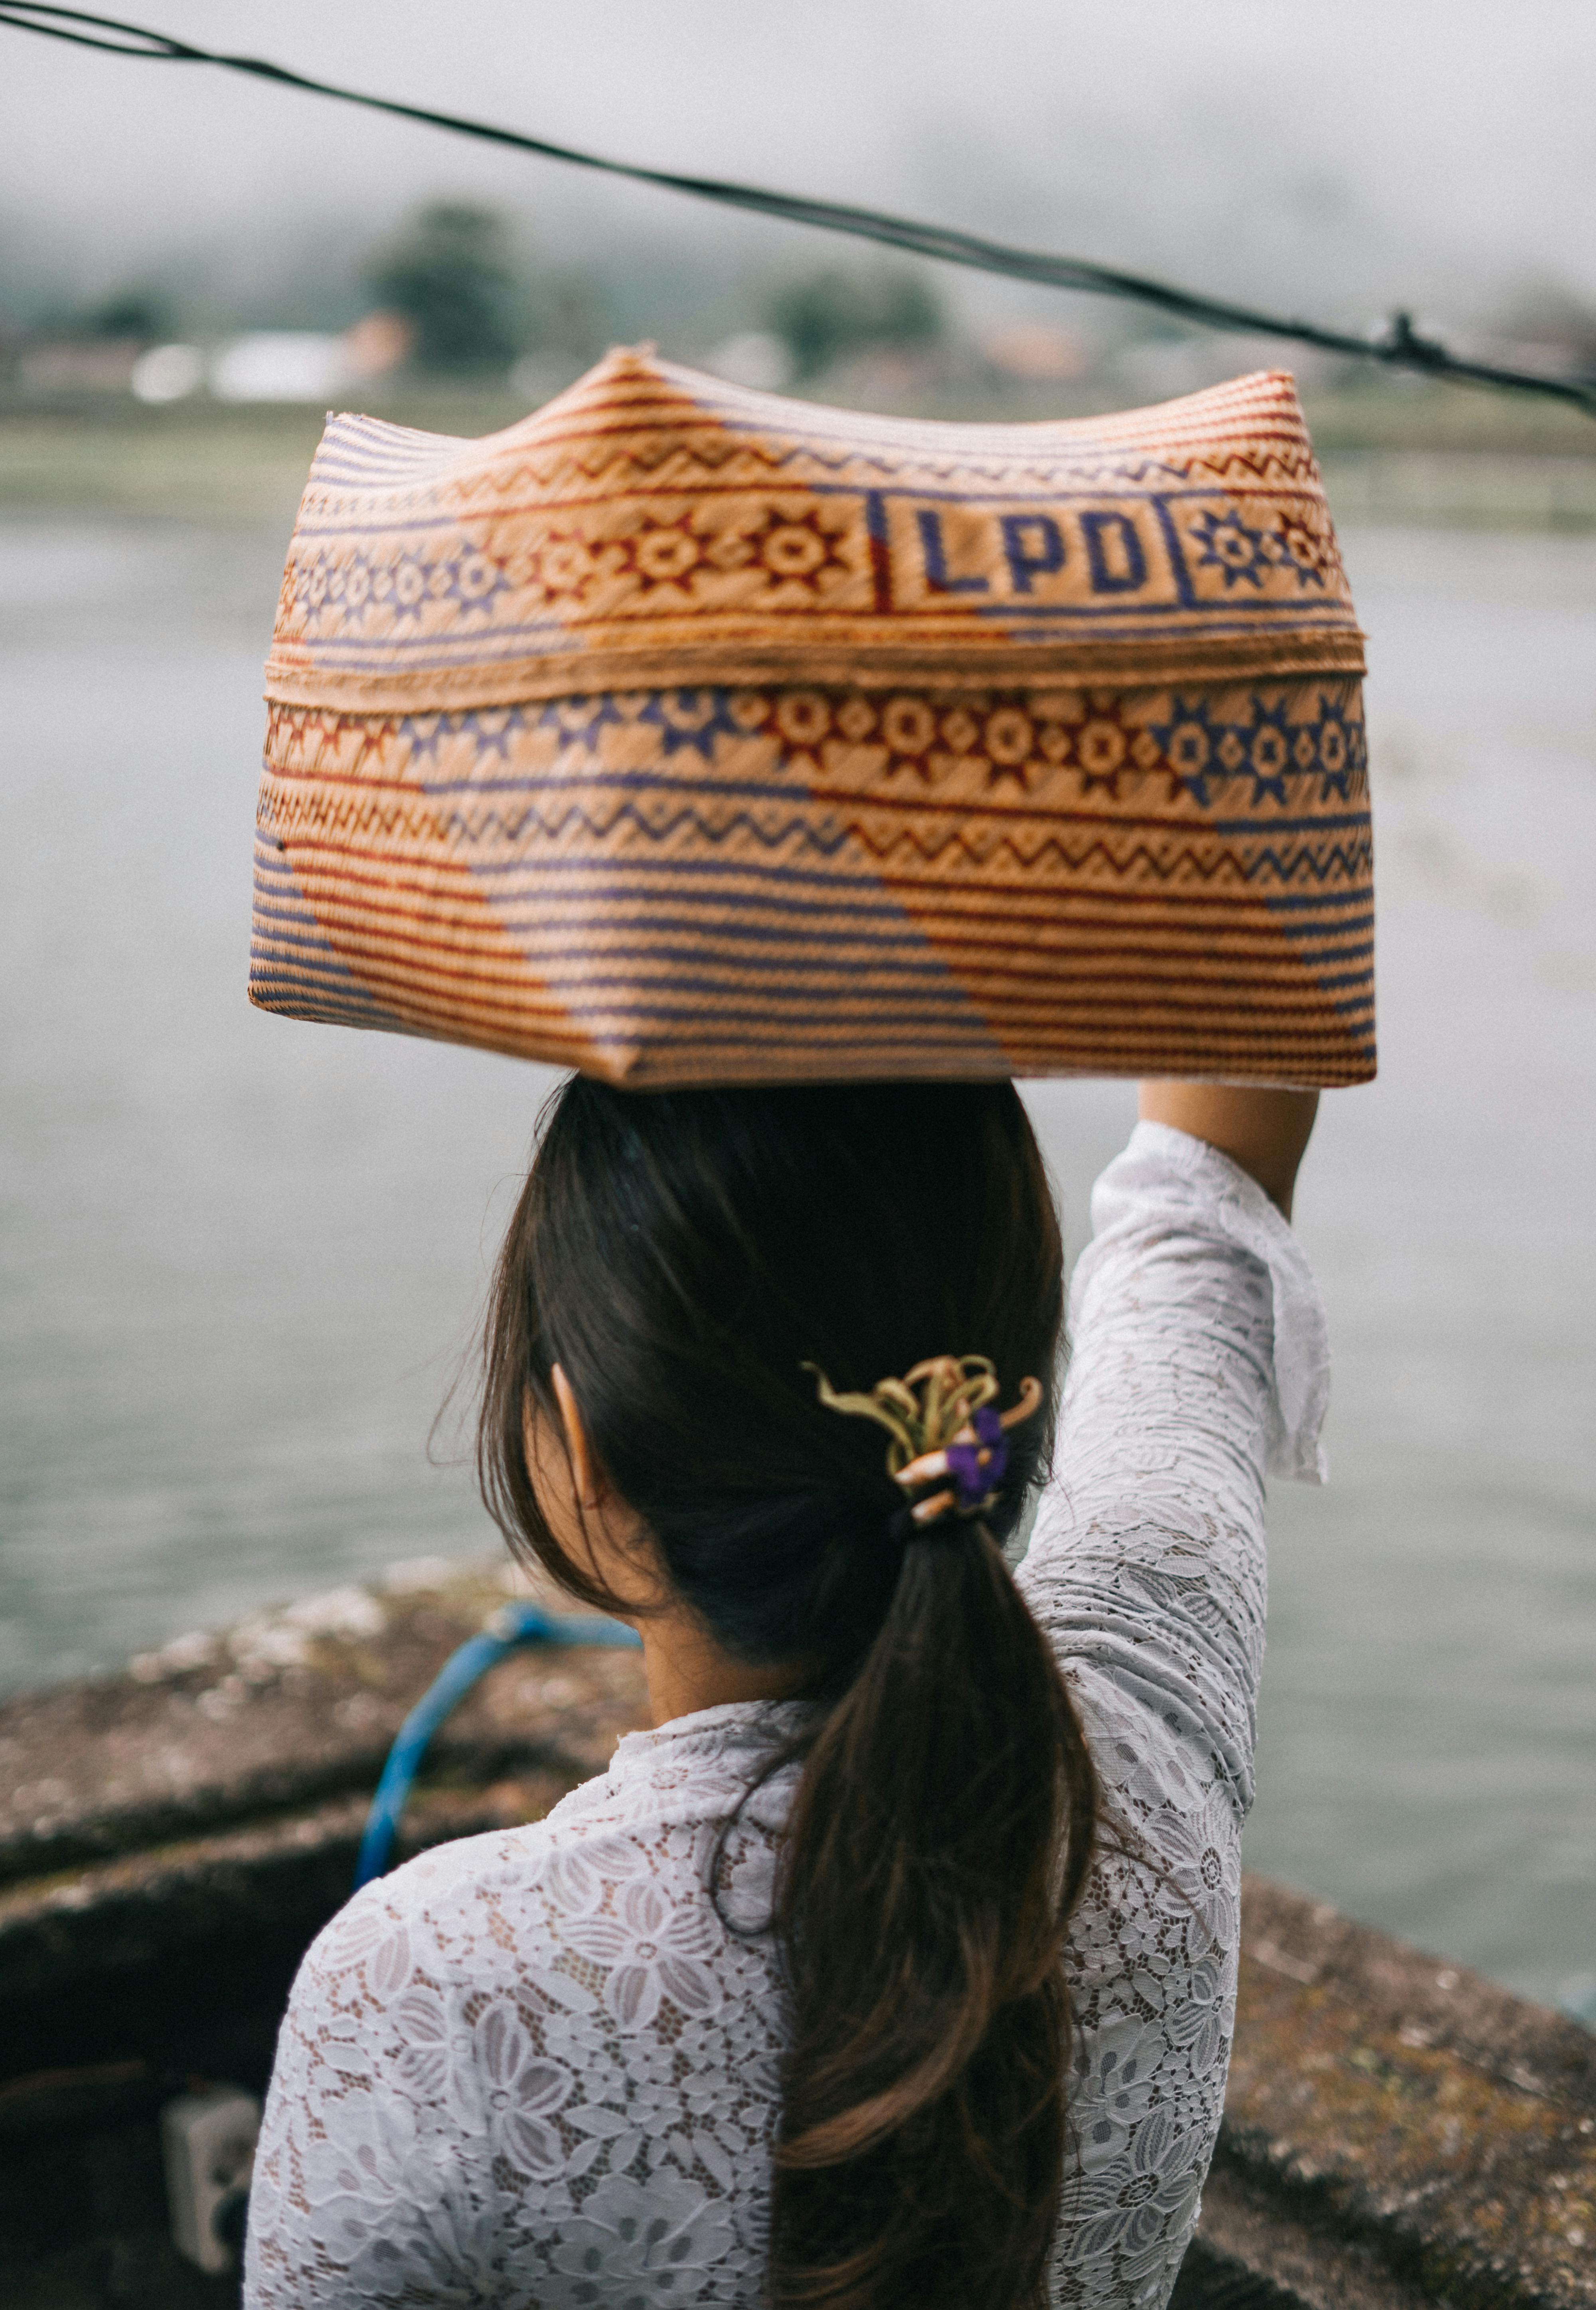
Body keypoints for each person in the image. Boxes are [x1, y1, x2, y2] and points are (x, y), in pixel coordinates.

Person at [244, 1074, 1325, 2310]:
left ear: (580, 1445)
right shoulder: (1160, 1714)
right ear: (1007, 1399)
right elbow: (1201, 1226)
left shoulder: (427, 1996)